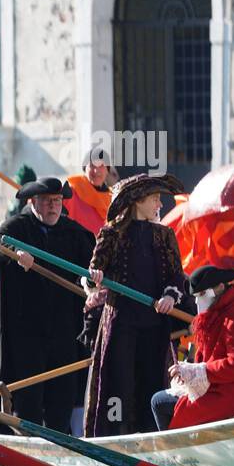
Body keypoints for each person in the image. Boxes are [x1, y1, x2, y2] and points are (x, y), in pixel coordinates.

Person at [0, 178, 95, 433]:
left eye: (57, 201)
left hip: (64, 330)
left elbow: (91, 264)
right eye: (47, 201)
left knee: (62, 396)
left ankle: (60, 443)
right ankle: (31, 440)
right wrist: (15, 251)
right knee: (28, 398)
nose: (53, 207)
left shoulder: (74, 232)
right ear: (33, 203)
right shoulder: (19, 227)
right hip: (27, 331)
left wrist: (92, 276)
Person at [83, 173, 188, 437]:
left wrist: (169, 296)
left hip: (155, 323)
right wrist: (94, 279)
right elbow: (93, 273)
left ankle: (151, 435)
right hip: (121, 324)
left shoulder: (165, 235)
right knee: (119, 383)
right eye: (155, 199)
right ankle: (113, 435)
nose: (159, 205)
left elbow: (177, 276)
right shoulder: (111, 233)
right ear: (138, 201)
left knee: (152, 381)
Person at [151, 265, 234, 430]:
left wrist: (198, 371)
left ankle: (171, 452)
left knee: (159, 401)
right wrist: (189, 372)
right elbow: (206, 358)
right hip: (222, 389)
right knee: (163, 397)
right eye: (195, 296)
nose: (197, 301)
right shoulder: (217, 314)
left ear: (220, 288)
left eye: (202, 294)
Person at [66, 146, 113, 236]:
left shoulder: (114, 197)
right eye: (92, 165)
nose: (96, 171)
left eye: (101, 166)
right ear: (85, 168)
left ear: (107, 170)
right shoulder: (71, 190)